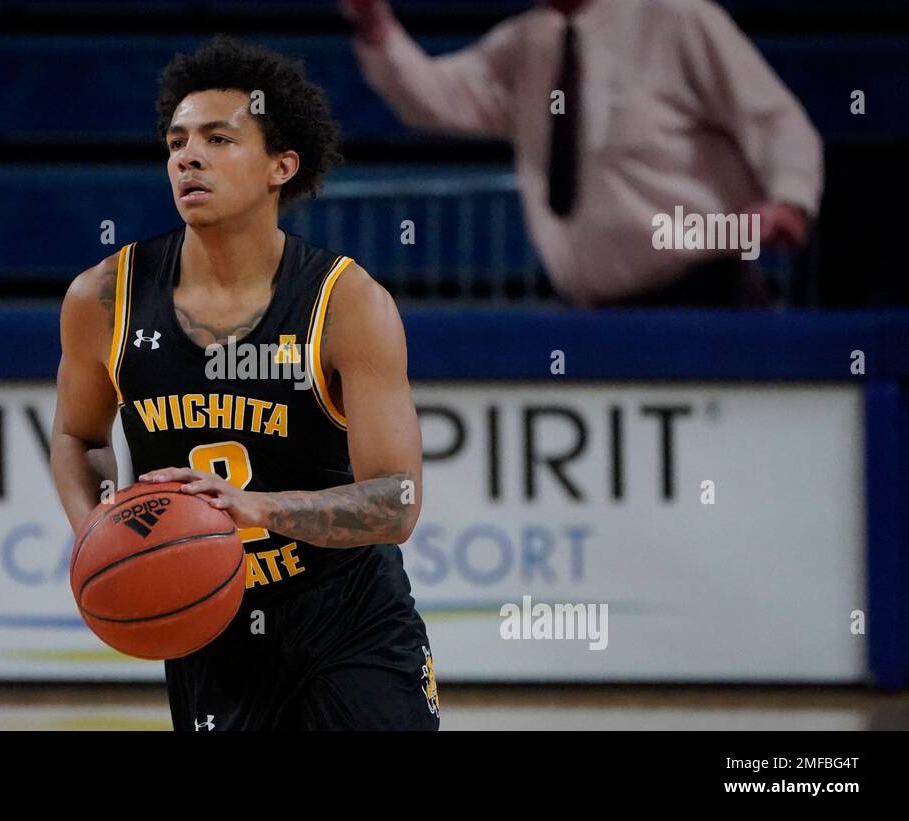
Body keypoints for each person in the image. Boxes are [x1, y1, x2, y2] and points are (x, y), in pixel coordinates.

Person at [49, 37, 440, 730]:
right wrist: (103, 536)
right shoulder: (103, 296)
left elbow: (397, 503)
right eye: (176, 141)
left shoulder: (345, 302)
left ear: (280, 167)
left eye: (218, 139)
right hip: (209, 622)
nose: (186, 156)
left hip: (347, 619)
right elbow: (79, 435)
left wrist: (256, 507)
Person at [343, 0, 824, 307]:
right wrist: (378, 28)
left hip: (705, 298)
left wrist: (790, 198)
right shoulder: (527, 41)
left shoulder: (677, 17)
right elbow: (438, 98)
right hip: (591, 311)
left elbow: (774, 118)